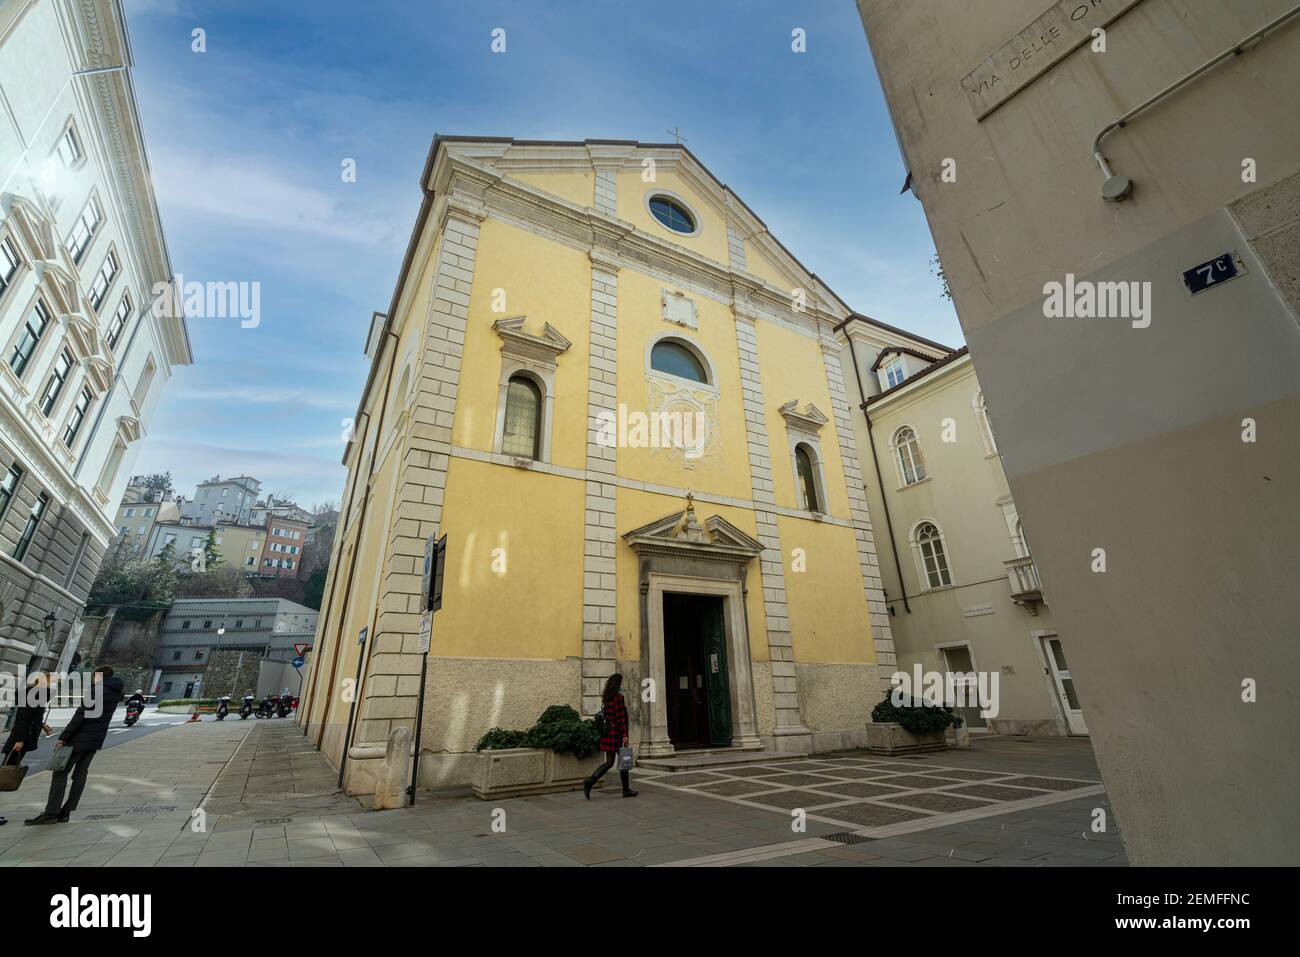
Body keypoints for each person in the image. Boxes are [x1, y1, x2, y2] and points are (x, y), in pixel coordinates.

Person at [25, 666, 124, 825]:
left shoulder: (96, 691)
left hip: (79, 739)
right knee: (80, 774)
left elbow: (80, 715)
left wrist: (64, 737)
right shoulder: (115, 693)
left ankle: (51, 812)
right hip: (96, 740)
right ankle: (66, 812)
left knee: (59, 773)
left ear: (98, 676)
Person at [0, 673, 53, 825]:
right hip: (20, 739)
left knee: (6, 772)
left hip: (23, 738)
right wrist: (19, 740)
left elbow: (32, 718)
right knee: (5, 773)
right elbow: (23, 719)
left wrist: (42, 725)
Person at [583, 673, 637, 799]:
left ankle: (590, 781)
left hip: (607, 734)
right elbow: (621, 717)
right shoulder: (618, 698)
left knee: (609, 762)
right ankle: (626, 790)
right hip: (616, 734)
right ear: (617, 684)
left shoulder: (606, 698)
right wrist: (625, 735)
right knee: (623, 761)